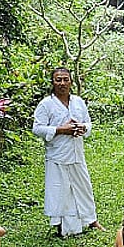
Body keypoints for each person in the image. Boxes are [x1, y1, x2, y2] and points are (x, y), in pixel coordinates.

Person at [32, 67, 105, 236]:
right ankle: (61, 225)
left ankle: (91, 220)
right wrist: (60, 129)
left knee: (83, 187)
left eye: (65, 79)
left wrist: (82, 128)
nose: (62, 83)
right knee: (60, 190)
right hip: (57, 155)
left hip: (76, 153)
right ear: (53, 82)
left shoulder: (78, 102)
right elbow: (37, 128)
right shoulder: (46, 104)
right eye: (58, 80)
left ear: (71, 82)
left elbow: (88, 123)